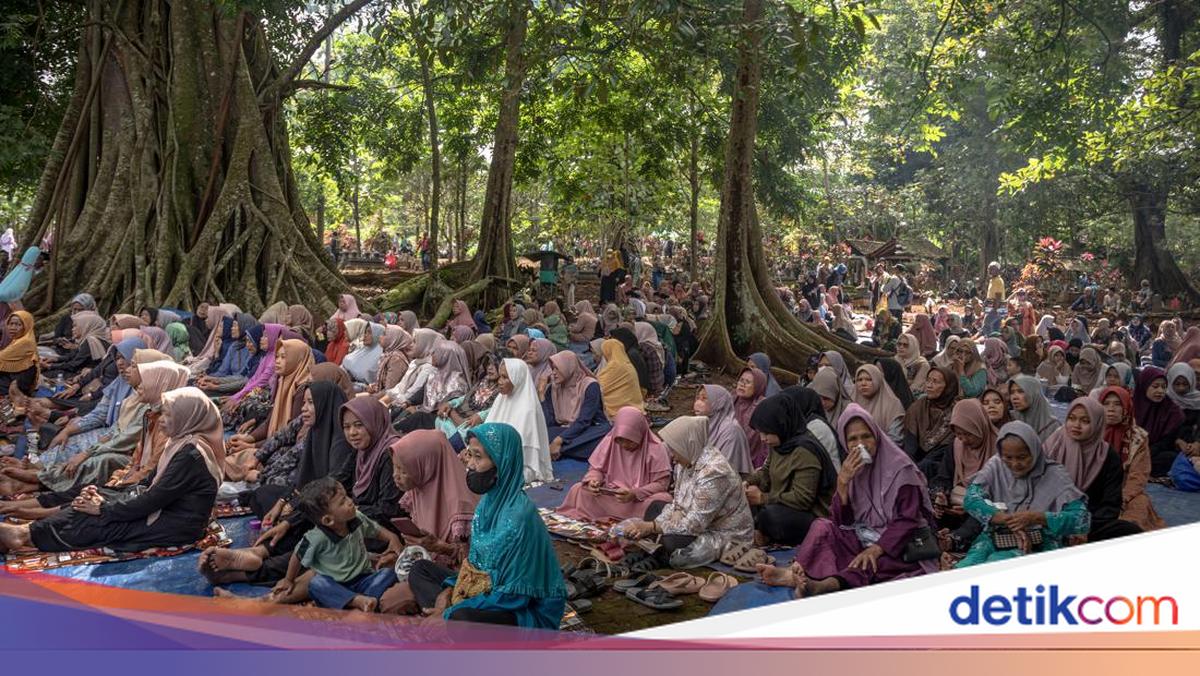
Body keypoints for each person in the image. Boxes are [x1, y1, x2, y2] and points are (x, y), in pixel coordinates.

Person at [1, 387, 223, 555]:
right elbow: (148, 483)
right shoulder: (180, 442)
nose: (162, 420)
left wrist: (104, 509)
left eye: (168, 415)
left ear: (186, 417)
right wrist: (107, 498)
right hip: (163, 508)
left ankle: (24, 535)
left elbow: (153, 499)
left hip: (176, 524)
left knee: (98, 519)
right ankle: (30, 529)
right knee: (94, 496)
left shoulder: (190, 455)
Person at [395, 423, 566, 627]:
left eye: (478, 456)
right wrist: (449, 592)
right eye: (470, 455)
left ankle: (442, 624)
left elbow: (514, 597)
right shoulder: (487, 504)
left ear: (502, 463)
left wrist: (449, 612)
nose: (470, 465)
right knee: (420, 569)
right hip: (483, 587)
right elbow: (474, 567)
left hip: (523, 609)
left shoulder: (520, 518)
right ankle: (442, 623)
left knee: (461, 619)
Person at [760, 404, 939, 596]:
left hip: (899, 543)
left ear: (876, 436)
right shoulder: (854, 469)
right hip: (865, 535)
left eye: (866, 436)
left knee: (871, 563)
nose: (860, 444)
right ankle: (795, 572)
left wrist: (877, 548)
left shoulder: (901, 470)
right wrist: (843, 484)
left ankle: (826, 585)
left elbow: (908, 519)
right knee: (822, 527)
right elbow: (842, 522)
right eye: (853, 439)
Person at [620, 416, 755, 569]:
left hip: (720, 532)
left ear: (687, 444)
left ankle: (657, 556)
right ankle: (652, 550)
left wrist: (652, 527)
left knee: (672, 542)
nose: (672, 456)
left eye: (674, 449)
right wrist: (660, 522)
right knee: (655, 507)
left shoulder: (715, 472)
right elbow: (677, 503)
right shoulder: (687, 459)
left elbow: (695, 524)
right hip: (691, 520)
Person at [952, 422, 1090, 568]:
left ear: (1034, 451)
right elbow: (971, 498)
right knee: (965, 567)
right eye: (1008, 457)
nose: (1015, 464)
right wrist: (1005, 520)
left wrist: (1036, 517)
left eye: (1022, 457)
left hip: (1040, 543)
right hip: (997, 537)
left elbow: (1081, 519)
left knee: (997, 564)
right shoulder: (997, 465)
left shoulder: (1055, 475)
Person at [274, 477, 402, 612]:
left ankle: (361, 602)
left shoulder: (357, 518)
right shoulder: (314, 538)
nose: (350, 501)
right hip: (335, 585)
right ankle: (357, 601)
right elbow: (297, 555)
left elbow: (376, 530)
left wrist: (392, 538)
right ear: (328, 520)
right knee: (316, 584)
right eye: (343, 502)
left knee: (388, 573)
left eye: (346, 496)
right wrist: (289, 580)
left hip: (364, 578)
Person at [1044, 397, 1143, 542]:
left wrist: (1082, 527)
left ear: (1097, 423)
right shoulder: (1053, 446)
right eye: (1072, 418)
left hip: (1089, 521)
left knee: (1130, 531)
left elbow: (1110, 505)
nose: (1076, 425)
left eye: (1085, 421)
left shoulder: (1108, 456)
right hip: (1050, 517)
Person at [745, 394, 836, 546]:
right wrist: (748, 482)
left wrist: (763, 498)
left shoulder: (804, 451)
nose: (762, 438)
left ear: (781, 425)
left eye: (766, 433)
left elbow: (802, 499)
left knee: (770, 516)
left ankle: (768, 534)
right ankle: (764, 532)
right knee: (745, 501)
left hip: (811, 516)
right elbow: (766, 471)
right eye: (760, 433)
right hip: (783, 503)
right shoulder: (780, 444)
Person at [557, 407, 672, 521]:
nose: (624, 445)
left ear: (640, 433)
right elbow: (597, 469)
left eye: (630, 441)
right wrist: (594, 480)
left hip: (638, 500)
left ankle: (606, 515)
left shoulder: (656, 449)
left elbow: (661, 484)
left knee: (662, 500)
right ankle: (616, 516)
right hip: (612, 495)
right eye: (620, 440)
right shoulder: (610, 442)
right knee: (578, 489)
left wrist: (635, 493)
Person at [1094, 386, 1166, 532]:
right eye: (1106, 404)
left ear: (1126, 407)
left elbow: (1138, 475)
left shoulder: (1138, 438)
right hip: (1092, 487)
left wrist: (1121, 498)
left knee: (1137, 511)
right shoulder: (1091, 431)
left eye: (1117, 404)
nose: (1111, 409)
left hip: (1125, 491)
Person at [486, 358, 553, 484]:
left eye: (505, 377)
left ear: (517, 378)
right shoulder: (501, 399)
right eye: (500, 376)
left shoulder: (528, 408)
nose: (499, 381)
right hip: (497, 455)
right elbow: (488, 429)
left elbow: (521, 450)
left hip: (517, 463)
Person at [930, 399, 997, 522]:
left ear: (979, 426)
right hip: (956, 506)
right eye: (959, 434)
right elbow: (944, 476)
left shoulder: (998, 447)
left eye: (968, 434)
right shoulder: (956, 445)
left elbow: (1000, 491)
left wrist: (971, 507)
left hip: (987, 510)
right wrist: (941, 496)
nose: (964, 440)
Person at [541, 351, 610, 461]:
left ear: (569, 367)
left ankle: (559, 449)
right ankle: (573, 450)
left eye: (557, 368)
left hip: (588, 429)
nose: (553, 373)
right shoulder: (553, 388)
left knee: (606, 433)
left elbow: (584, 421)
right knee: (543, 433)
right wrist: (541, 394)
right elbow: (549, 422)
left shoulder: (590, 386)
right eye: (552, 369)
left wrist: (559, 440)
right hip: (564, 430)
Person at [901, 366, 960, 474]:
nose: (929, 385)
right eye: (928, 380)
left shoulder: (957, 411)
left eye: (935, 382)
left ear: (948, 387)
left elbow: (949, 448)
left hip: (943, 466)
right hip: (916, 463)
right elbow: (910, 444)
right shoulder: (918, 407)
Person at [1133, 367, 1186, 477]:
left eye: (1164, 387)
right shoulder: (1131, 405)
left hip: (1154, 453)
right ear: (1144, 386)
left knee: (1170, 457)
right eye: (1155, 386)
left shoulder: (1171, 410)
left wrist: (1145, 453)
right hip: (1132, 450)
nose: (1160, 391)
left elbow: (1165, 443)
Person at [694, 384, 752, 474]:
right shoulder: (703, 423)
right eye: (698, 398)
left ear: (718, 403)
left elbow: (724, 468)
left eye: (704, 398)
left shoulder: (731, 430)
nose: (698, 402)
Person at [851, 364, 906, 445]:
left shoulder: (893, 405)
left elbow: (895, 439)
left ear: (877, 380)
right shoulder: (851, 402)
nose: (863, 383)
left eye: (869, 379)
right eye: (859, 380)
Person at [595, 339, 644, 417]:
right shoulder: (627, 364)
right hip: (633, 405)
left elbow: (600, 387)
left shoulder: (615, 367)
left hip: (619, 407)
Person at [733, 367, 770, 469]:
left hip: (751, 461)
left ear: (757, 386)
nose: (742, 384)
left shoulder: (763, 406)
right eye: (741, 380)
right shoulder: (732, 399)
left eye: (748, 382)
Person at [1008, 374, 1062, 442]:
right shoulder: (1010, 419)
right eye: (1012, 392)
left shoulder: (1052, 426)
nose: (1014, 397)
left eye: (1021, 391)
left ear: (1034, 393)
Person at [0, 310, 39, 395]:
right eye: (11, 324)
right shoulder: (17, 340)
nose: (13, 327)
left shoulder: (25, 342)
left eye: (18, 325)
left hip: (17, 384)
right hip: (11, 377)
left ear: (26, 326)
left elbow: (1, 357)